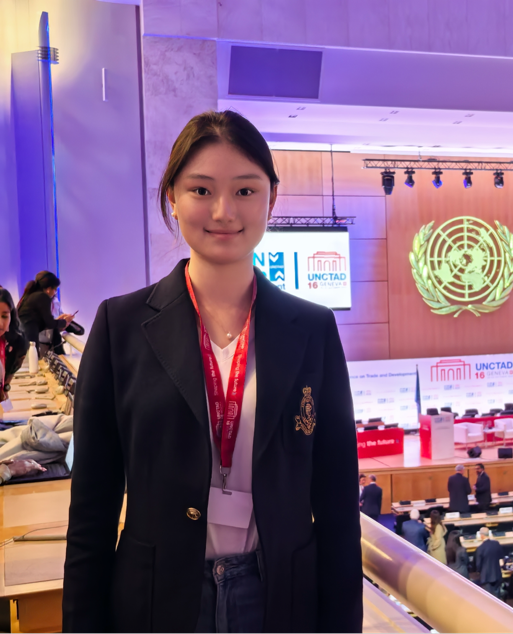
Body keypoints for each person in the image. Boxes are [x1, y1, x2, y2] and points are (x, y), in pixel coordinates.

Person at [62, 111, 362, 633]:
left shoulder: (312, 330)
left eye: (245, 191)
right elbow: (91, 510)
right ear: (172, 197)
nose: (224, 211)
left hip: (280, 598)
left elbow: (336, 509)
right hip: (157, 598)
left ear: (271, 197)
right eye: (201, 189)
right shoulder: (121, 326)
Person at [16, 271, 75, 355]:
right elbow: (50, 323)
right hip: (30, 342)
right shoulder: (42, 297)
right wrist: (65, 322)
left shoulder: (30, 296)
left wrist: (58, 321)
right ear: (48, 289)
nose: (54, 292)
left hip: (23, 341)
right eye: (54, 289)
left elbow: (42, 322)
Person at [0, 288, 28, 401]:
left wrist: (5, 387)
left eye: (4, 316)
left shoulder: (12, 343)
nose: (0, 323)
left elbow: (11, 370)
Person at [474, 527, 504, 596]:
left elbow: (478, 566)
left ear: (481, 535)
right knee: (497, 597)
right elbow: (501, 558)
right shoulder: (496, 544)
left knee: (489, 598)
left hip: (486, 577)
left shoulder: (480, 548)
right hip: (497, 575)